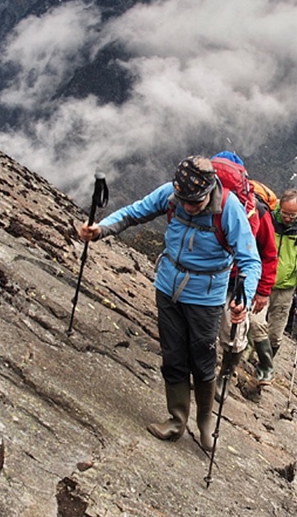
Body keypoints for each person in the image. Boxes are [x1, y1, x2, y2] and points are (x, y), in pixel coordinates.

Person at [76, 156, 261, 451]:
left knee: (202, 360)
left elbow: (251, 261)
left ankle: (204, 425)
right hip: (168, 288)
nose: (188, 207)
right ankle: (176, 420)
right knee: (173, 356)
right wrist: (101, 229)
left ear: (209, 190)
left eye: (195, 202)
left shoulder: (229, 209)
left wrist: (243, 299)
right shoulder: (171, 194)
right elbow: (134, 212)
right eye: (184, 200)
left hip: (206, 298)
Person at [210, 152, 277, 387]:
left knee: (233, 330)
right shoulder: (203, 197)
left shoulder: (257, 211)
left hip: (235, 278)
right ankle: (214, 374)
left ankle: (225, 374)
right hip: (225, 275)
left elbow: (268, 253)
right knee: (226, 329)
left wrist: (262, 290)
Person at [249, 188, 297, 385]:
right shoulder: (268, 219)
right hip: (262, 283)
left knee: (276, 334)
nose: (287, 217)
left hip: (286, 290)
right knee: (255, 323)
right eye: (285, 212)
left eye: (291, 214)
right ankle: (262, 366)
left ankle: (262, 369)